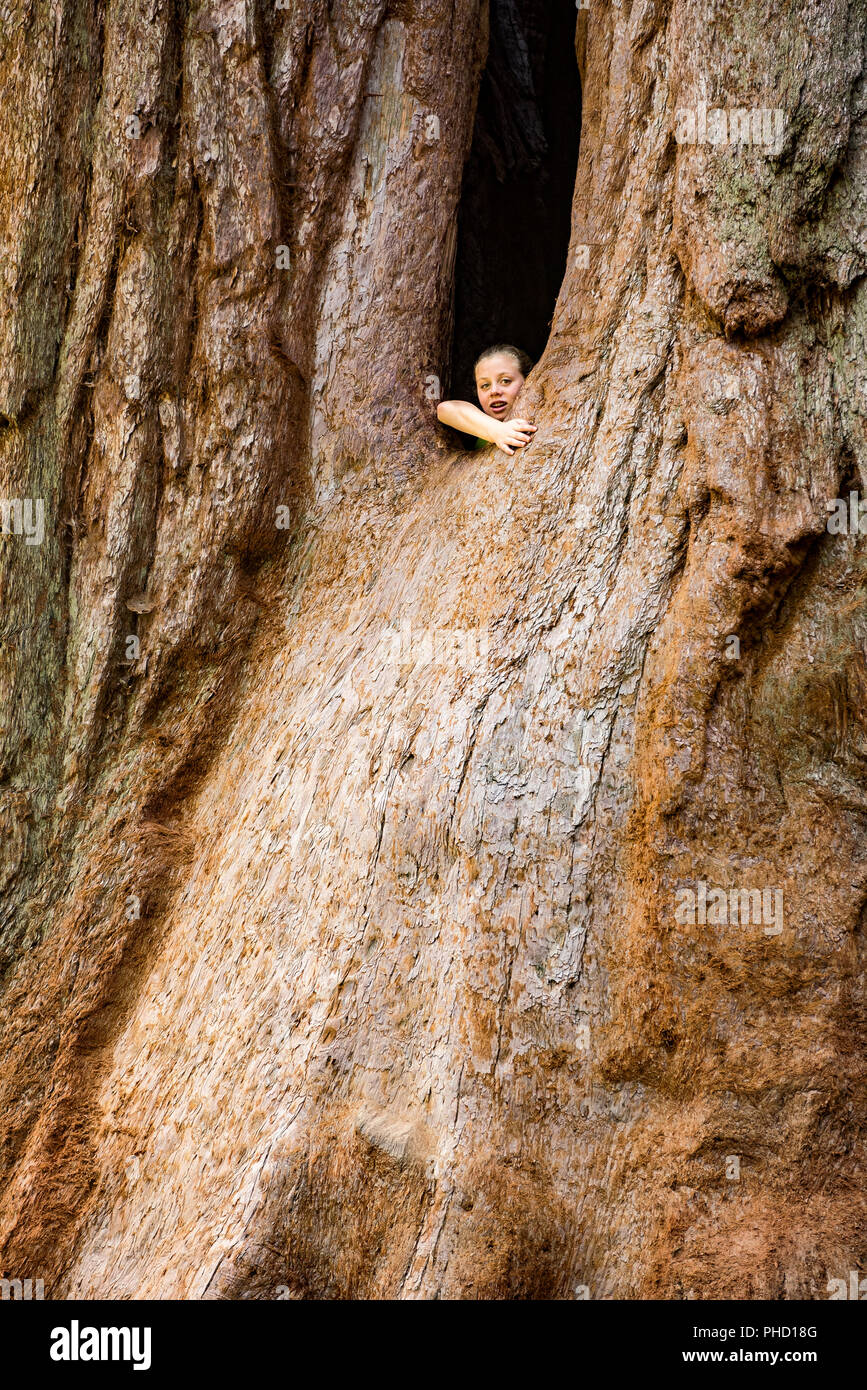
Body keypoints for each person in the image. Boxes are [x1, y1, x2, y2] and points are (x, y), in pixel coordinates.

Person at [436, 344, 537, 455]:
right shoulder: (481, 430)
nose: (494, 391)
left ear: (529, 379)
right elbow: (445, 409)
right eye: (485, 385)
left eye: (505, 381)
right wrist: (497, 430)